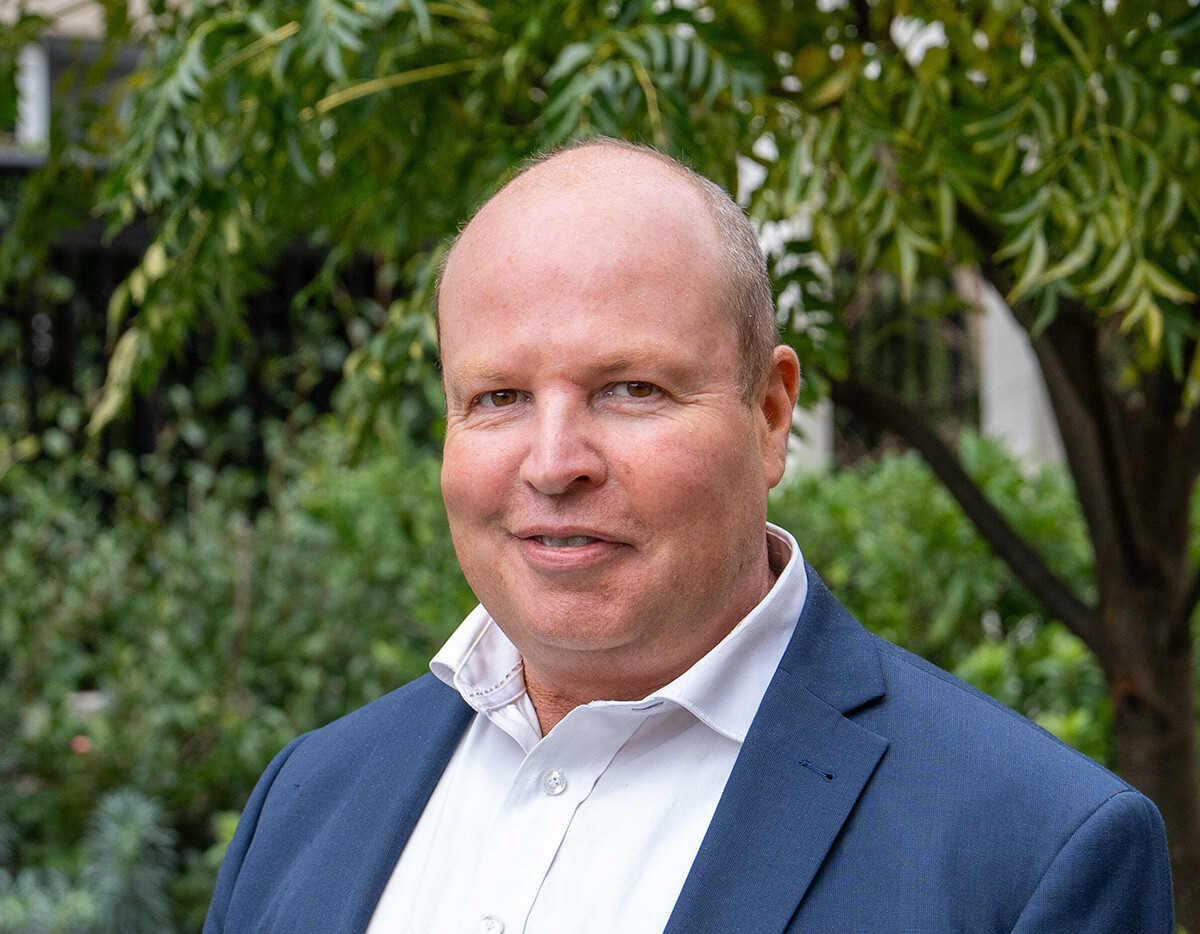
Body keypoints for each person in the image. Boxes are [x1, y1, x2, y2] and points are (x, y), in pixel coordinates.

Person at [203, 139, 1173, 934]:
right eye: (497, 397)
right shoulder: (305, 799)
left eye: (631, 388)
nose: (554, 462)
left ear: (769, 412)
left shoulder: (1033, 852)